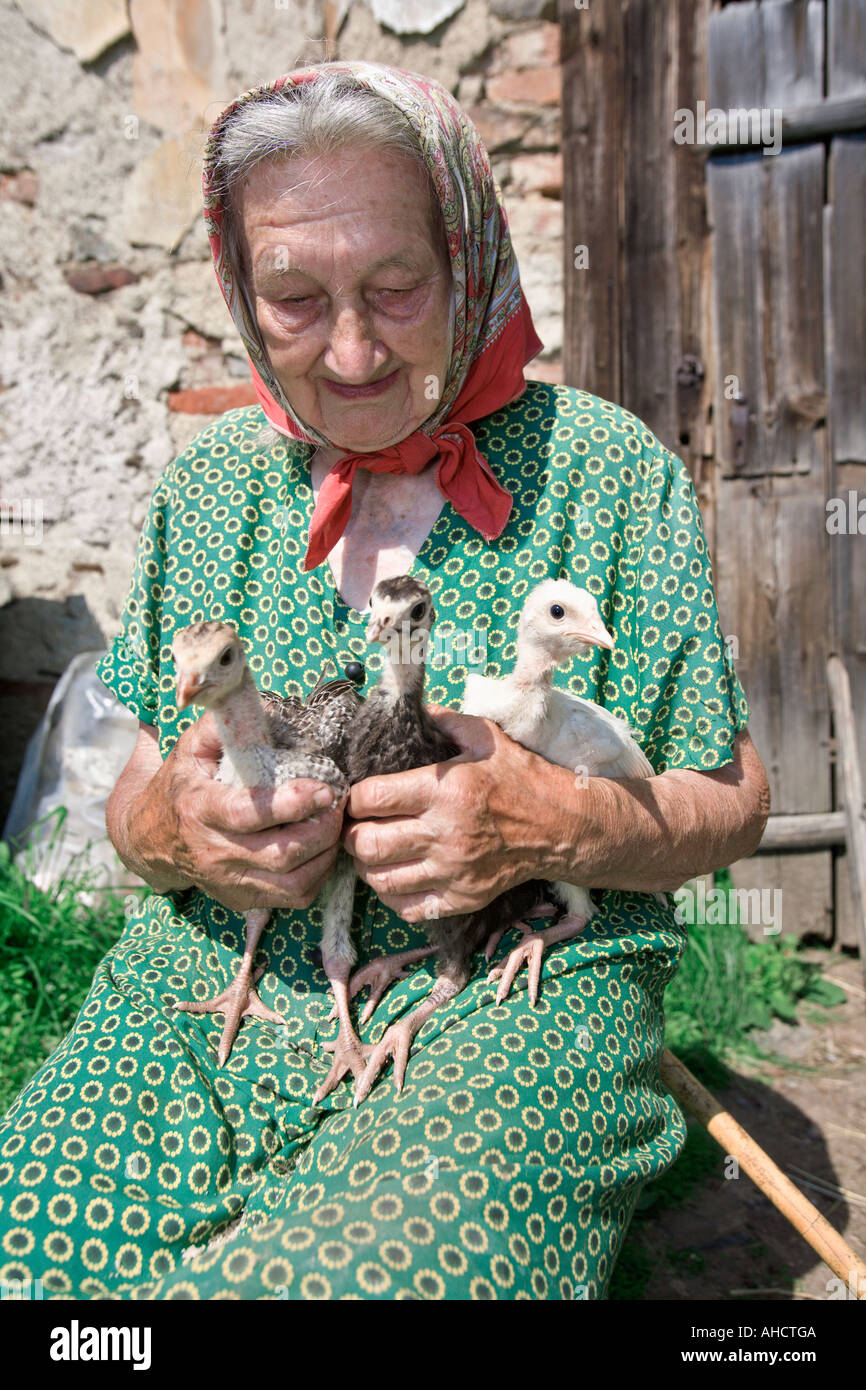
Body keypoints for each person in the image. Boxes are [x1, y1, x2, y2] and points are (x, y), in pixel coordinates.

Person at [0, 61, 769, 1301]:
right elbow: (134, 810)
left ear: (465, 257)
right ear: (240, 290)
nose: (351, 350)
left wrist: (546, 820)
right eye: (294, 298)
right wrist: (183, 830)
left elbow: (730, 799)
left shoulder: (604, 474)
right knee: (30, 1261)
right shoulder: (211, 491)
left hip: (514, 995)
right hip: (212, 992)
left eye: (396, 288)